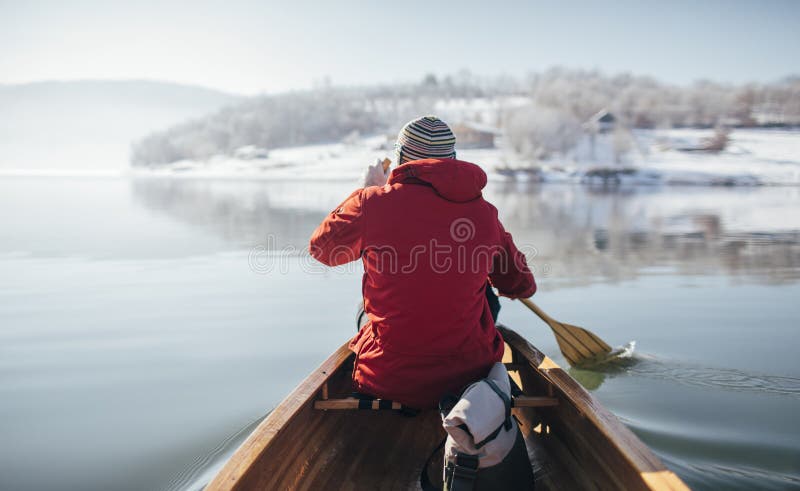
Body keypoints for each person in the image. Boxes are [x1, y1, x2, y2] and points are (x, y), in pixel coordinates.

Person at [309, 116, 535, 409]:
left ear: (401, 159)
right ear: (452, 160)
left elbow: (323, 250)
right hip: (468, 376)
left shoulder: (371, 202)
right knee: (486, 296)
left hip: (387, 377)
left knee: (362, 308)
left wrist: (365, 191)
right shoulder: (485, 214)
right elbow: (522, 285)